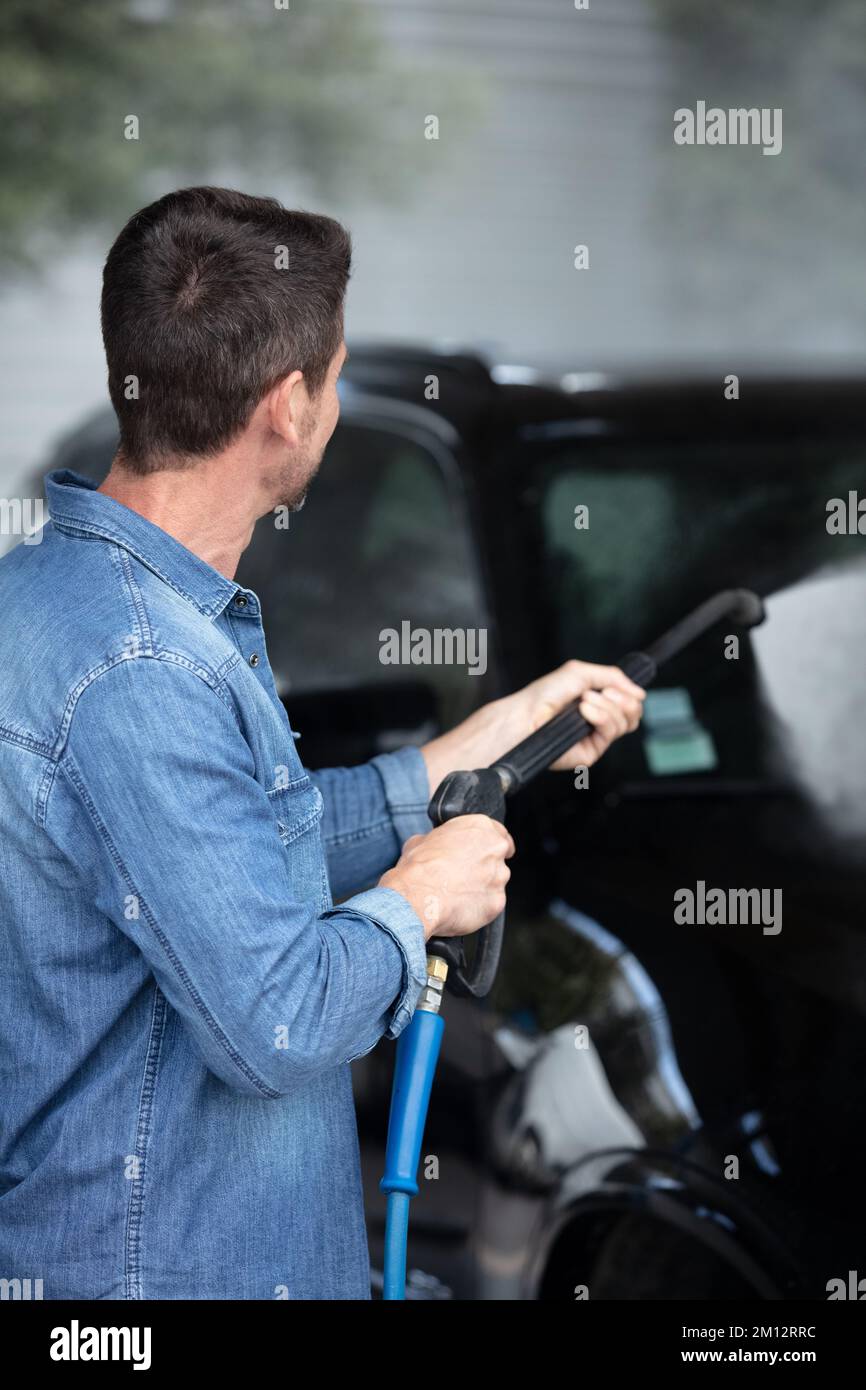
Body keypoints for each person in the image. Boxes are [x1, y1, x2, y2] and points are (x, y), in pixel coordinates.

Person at [0, 187, 644, 1300]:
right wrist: (418, 899)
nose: (334, 405)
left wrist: (474, 747)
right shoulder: (145, 670)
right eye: (334, 380)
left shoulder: (57, 599)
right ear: (285, 407)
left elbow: (230, 857)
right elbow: (278, 1019)